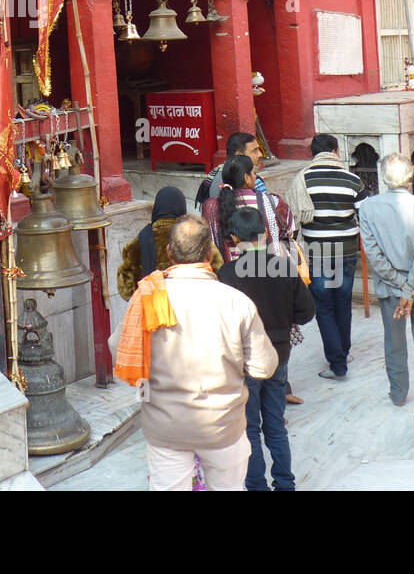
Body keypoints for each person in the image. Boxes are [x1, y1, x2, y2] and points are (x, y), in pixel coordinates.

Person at [112, 214, 277, 491]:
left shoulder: (148, 298)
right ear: (210, 253)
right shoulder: (236, 302)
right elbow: (264, 366)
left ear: (168, 252)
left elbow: (119, 349)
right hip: (222, 426)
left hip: (165, 426)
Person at [218, 207, 316, 489]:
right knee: (275, 424)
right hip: (278, 356)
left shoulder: (227, 274)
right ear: (263, 234)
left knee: (248, 428)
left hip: (244, 362)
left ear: (234, 238)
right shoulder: (284, 267)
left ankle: (256, 485)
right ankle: (285, 483)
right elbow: (307, 313)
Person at [357, 153, 414, 439]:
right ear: (410, 177)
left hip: (393, 288)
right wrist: (410, 288)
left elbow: (373, 253)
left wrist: (400, 287)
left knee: (394, 341)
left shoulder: (368, 208)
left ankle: (397, 393)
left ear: (383, 178)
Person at [286, 134, 364, 380]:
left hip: (318, 253)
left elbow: (292, 220)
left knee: (325, 307)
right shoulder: (353, 180)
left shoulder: (302, 180)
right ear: (335, 151)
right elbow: (362, 216)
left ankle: (337, 363)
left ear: (313, 153)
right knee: (343, 303)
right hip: (347, 251)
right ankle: (343, 352)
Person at [117, 186, 222, 301]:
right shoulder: (196, 237)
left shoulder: (137, 243)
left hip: (155, 310)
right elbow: (219, 270)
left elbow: (126, 290)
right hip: (194, 302)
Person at [202, 156, 297, 266]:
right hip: (267, 271)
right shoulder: (272, 202)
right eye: (253, 173)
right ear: (247, 177)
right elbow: (289, 231)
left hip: (227, 276)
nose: (255, 176)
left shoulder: (210, 207)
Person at [195, 131, 268, 207]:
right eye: (254, 150)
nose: (260, 154)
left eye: (258, 150)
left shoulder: (219, 174)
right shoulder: (223, 179)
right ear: (239, 155)